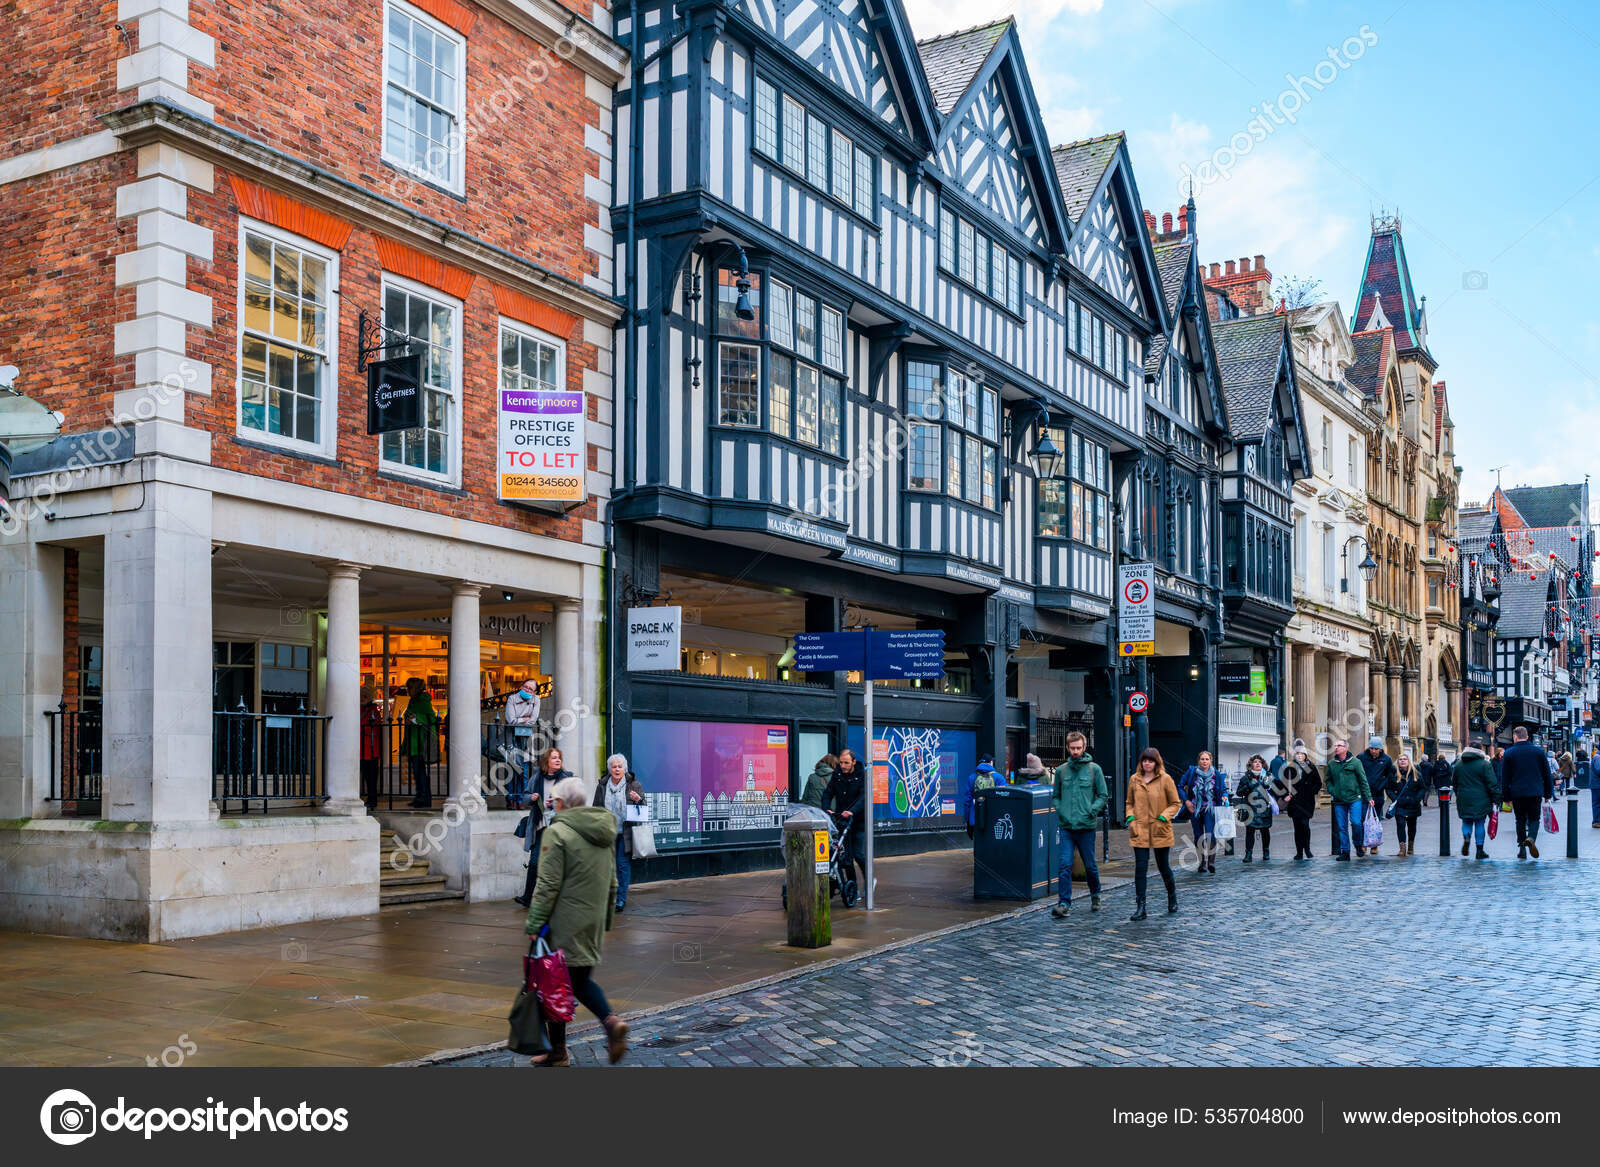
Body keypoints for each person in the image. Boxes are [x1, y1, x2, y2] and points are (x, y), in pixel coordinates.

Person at [524, 776, 630, 1067]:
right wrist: (606, 920)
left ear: (562, 804)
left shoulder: (557, 833)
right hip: (592, 920)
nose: (552, 806)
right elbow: (612, 880)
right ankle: (603, 1026)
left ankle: (563, 1049)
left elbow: (546, 885)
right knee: (579, 981)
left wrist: (534, 924)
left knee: (553, 985)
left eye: (554, 801)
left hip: (562, 922)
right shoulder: (603, 829)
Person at [1050, 732, 1107, 918]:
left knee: (1090, 865)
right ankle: (1064, 903)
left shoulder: (1094, 770)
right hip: (1067, 826)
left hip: (1086, 827)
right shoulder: (1061, 771)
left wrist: (1092, 810)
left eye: (1078, 748)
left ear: (1084, 748)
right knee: (1064, 865)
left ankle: (1095, 894)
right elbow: (1056, 796)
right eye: (1072, 748)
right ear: (1067, 748)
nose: (1075, 751)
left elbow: (1103, 795)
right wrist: (1061, 810)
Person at [1124, 748, 1181, 921]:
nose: (1147, 764)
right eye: (1144, 760)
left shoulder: (1165, 779)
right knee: (1140, 869)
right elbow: (1129, 802)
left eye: (1150, 761)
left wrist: (1164, 816)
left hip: (1159, 829)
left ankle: (1172, 896)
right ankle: (1141, 907)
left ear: (1157, 762)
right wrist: (1131, 818)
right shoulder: (1134, 779)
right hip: (1139, 829)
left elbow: (1175, 803)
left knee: (1163, 866)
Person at [514, 747, 572, 908]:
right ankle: (527, 897)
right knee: (534, 863)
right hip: (540, 827)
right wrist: (531, 798)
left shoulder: (567, 778)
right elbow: (524, 798)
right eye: (554, 758)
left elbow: (573, 801)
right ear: (547, 761)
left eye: (559, 757)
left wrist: (556, 802)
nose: (558, 760)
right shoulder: (536, 777)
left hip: (560, 827)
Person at [592, 754, 646, 909]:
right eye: (614, 766)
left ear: (625, 768)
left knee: (622, 865)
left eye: (619, 766)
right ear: (609, 769)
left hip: (625, 832)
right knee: (607, 865)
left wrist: (638, 800)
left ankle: (620, 899)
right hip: (607, 832)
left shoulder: (634, 785)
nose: (617, 769)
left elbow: (644, 807)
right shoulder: (602, 785)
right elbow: (596, 808)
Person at [1500, 727, 1555, 860]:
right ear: (1527, 736)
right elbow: (1547, 775)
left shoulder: (1509, 753)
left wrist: (1506, 797)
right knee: (1535, 819)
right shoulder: (1538, 752)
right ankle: (1531, 838)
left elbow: (1505, 777)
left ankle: (1522, 849)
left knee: (1520, 820)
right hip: (1535, 792)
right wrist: (1548, 794)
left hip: (1517, 793)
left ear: (1515, 737)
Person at [822, 749, 867, 895]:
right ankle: (853, 888)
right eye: (841, 762)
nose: (843, 765)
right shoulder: (837, 775)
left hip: (857, 821)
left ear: (853, 762)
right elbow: (828, 793)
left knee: (858, 854)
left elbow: (863, 798)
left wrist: (852, 811)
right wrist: (826, 809)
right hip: (842, 820)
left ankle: (868, 878)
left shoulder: (862, 776)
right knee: (845, 857)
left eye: (846, 763)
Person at [1178, 750, 1227, 874]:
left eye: (1207, 759)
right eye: (1202, 759)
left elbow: (1223, 789)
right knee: (1198, 836)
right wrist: (1187, 801)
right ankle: (1202, 862)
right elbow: (1180, 786)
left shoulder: (1216, 774)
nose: (1204, 761)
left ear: (1211, 761)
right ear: (1198, 761)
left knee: (1211, 835)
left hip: (1211, 809)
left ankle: (1211, 862)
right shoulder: (1192, 772)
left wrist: (1224, 796)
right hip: (1195, 808)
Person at [1324, 739, 1374, 860]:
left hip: (1354, 798)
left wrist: (1369, 797)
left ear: (1346, 748)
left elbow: (1363, 781)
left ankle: (1358, 845)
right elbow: (1328, 780)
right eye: (1335, 746)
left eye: (1339, 745)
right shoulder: (1331, 764)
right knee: (1342, 826)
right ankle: (1345, 851)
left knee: (1356, 823)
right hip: (1339, 801)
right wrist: (1332, 790)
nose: (1336, 747)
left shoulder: (1356, 762)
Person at [1451, 740, 1500, 859]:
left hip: (1464, 798)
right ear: (1480, 750)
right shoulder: (1485, 764)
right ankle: (1479, 850)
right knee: (1479, 823)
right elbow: (1492, 783)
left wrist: (1458, 794)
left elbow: (1454, 783)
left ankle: (1466, 837)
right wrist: (1496, 798)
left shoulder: (1458, 764)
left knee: (1466, 821)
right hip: (1482, 798)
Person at [399, 677, 438, 809]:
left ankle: (423, 797)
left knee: (420, 771)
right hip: (413, 741)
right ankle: (420, 796)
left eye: (409, 687)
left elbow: (431, 718)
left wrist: (416, 719)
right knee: (417, 771)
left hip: (420, 742)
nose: (408, 690)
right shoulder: (413, 701)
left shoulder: (423, 701)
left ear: (415, 688)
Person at [503, 677, 541, 809]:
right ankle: (511, 798)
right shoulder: (512, 699)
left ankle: (520, 799)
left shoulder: (536, 700)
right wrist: (524, 719)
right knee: (511, 769)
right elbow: (510, 719)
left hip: (525, 739)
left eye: (530, 689)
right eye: (525, 687)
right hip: (511, 738)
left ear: (534, 692)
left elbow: (534, 720)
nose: (527, 690)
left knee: (523, 771)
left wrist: (521, 720)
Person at [1282, 745, 1322, 860]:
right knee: (1297, 827)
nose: (1299, 756)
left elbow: (1318, 783)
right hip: (1294, 802)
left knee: (1305, 825)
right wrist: (1286, 795)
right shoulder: (1290, 768)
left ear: (1305, 755)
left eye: (1301, 754)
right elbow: (1284, 784)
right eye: (1297, 754)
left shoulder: (1311, 767)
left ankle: (1307, 849)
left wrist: (1311, 791)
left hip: (1307, 801)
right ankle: (1299, 852)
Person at [1234, 754, 1275, 863]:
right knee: (1250, 831)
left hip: (1264, 808)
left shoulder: (1268, 776)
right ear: (1251, 764)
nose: (1257, 763)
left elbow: (1274, 790)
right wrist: (1249, 786)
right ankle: (1248, 854)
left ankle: (1266, 852)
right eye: (1255, 762)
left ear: (1262, 765)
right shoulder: (1246, 777)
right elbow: (1239, 792)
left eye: (1260, 762)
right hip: (1250, 809)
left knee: (1265, 831)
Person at [1389, 754, 1425, 857]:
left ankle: (1411, 846)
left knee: (1412, 826)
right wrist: (1395, 799)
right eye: (1400, 759)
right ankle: (1402, 848)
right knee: (1400, 824)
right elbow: (1388, 788)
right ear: (1398, 761)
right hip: (1400, 804)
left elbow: (1422, 788)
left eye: (1405, 759)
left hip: (1413, 804)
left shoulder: (1416, 774)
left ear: (1408, 761)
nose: (1402, 761)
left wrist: (1417, 799)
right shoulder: (1393, 774)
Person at [1360, 736, 1398, 823]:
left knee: (1375, 819)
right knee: (1363, 818)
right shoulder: (1361, 757)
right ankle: (1363, 836)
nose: (1373, 751)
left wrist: (1383, 784)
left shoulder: (1386, 759)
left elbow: (1390, 775)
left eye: (1376, 749)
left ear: (1380, 749)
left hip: (1378, 793)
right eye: (1372, 748)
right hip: (1364, 793)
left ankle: (1373, 836)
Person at [961, 755, 1000, 836]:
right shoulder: (998, 777)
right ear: (991, 763)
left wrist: (967, 819)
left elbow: (967, 800)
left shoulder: (972, 778)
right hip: (995, 818)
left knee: (978, 843)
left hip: (975, 818)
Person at [360, 684, 383, 811]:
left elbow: (375, 727)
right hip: (360, 748)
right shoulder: (358, 709)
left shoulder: (373, 711)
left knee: (371, 777)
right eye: (361, 696)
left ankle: (372, 800)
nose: (362, 698)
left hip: (370, 749)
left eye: (365, 696)